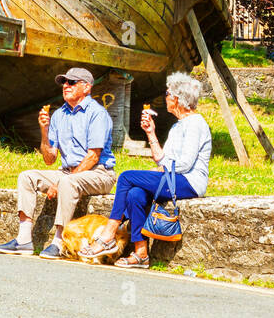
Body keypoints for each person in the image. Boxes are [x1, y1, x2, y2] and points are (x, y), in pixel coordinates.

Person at [81, 71, 211, 269]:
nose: (165, 97)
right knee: (134, 194)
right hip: (173, 178)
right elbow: (162, 158)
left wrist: (161, 169)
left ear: (177, 99)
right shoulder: (178, 126)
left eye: (167, 94)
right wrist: (150, 132)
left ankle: (109, 233)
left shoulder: (195, 124)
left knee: (125, 177)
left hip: (189, 182)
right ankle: (141, 253)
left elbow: (184, 164)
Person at [0, 67, 116, 258]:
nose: (66, 86)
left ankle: (60, 242)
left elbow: (93, 156)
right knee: (27, 177)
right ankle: (24, 240)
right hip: (69, 172)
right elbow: (49, 159)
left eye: (72, 82)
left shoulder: (97, 114)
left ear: (86, 87)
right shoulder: (60, 115)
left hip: (99, 173)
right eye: (64, 82)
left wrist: (60, 182)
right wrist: (44, 130)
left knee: (67, 181)